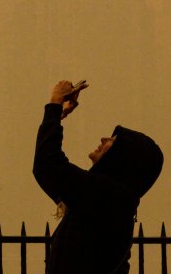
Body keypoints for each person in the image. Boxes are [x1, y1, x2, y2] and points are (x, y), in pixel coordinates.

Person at [33, 80, 164, 274]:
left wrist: (53, 105)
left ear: (123, 159)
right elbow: (49, 173)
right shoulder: (115, 200)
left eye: (113, 141)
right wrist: (56, 118)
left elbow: (48, 165)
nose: (104, 139)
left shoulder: (106, 195)